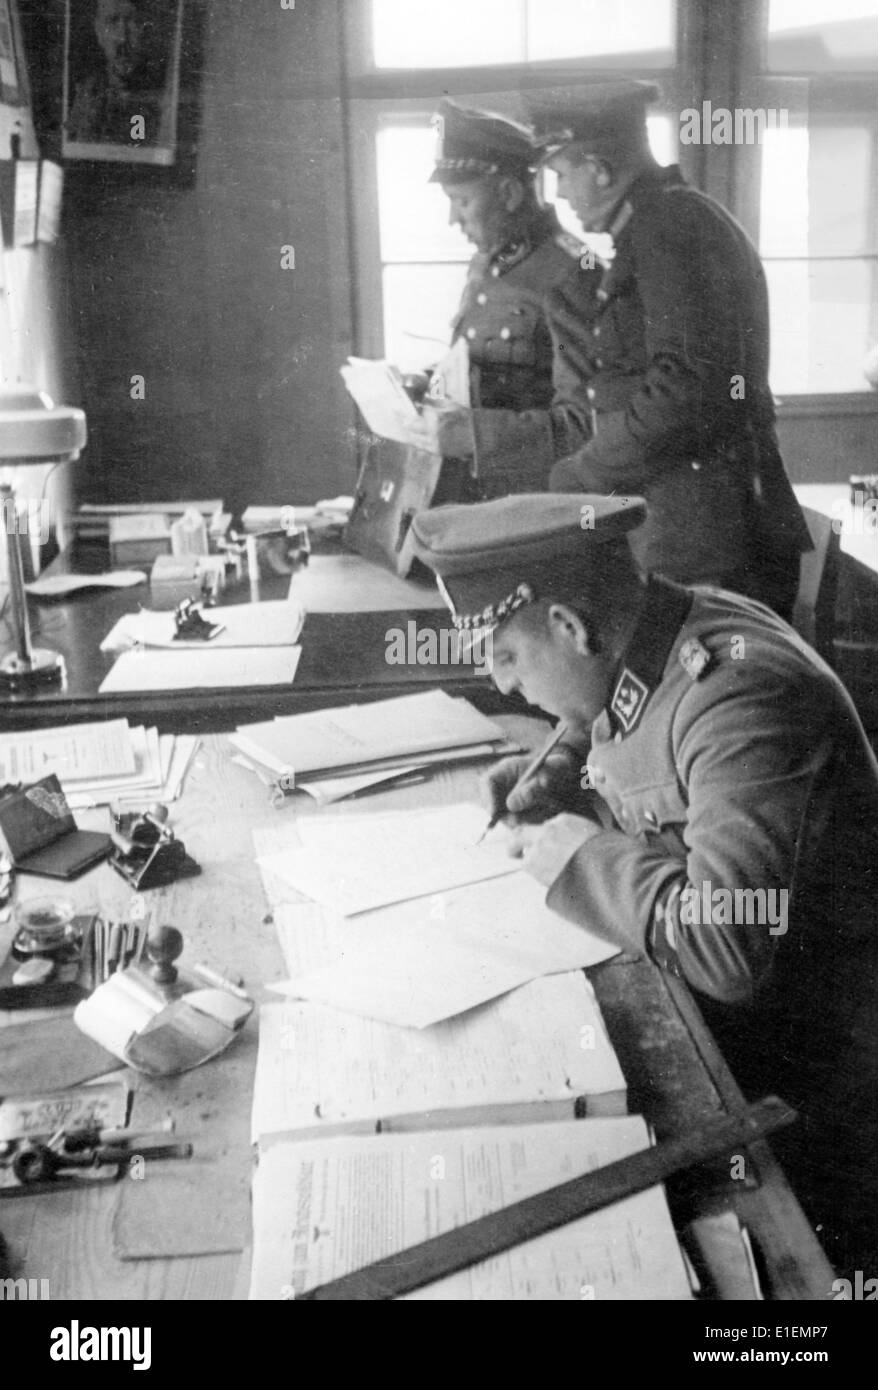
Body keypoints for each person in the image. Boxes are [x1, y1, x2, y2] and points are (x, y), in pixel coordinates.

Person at [410, 491, 878, 1278]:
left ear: (567, 626)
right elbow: (626, 716)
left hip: (823, 1068)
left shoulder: (743, 696)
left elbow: (728, 944)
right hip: (764, 1025)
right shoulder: (656, 625)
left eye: (507, 656)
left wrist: (581, 860)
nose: (503, 686)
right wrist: (556, 771)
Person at [519, 81, 811, 620]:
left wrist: (584, 471)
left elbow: (688, 388)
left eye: (561, 174)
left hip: (710, 541)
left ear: (600, 168)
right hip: (696, 529)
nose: (558, 194)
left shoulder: (669, 228)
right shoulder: (665, 222)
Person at [418, 99, 591, 499]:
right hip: (477, 500)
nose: (452, 219)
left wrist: (474, 434)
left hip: (541, 512)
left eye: (462, 201)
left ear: (511, 193)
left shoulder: (573, 274)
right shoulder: (486, 264)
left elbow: (585, 426)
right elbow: (487, 370)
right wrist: (428, 384)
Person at [66, 0, 174, 148]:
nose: (122, 37)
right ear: (98, 31)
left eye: (133, 22)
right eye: (112, 21)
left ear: (147, 29)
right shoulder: (85, 94)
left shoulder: (166, 93)